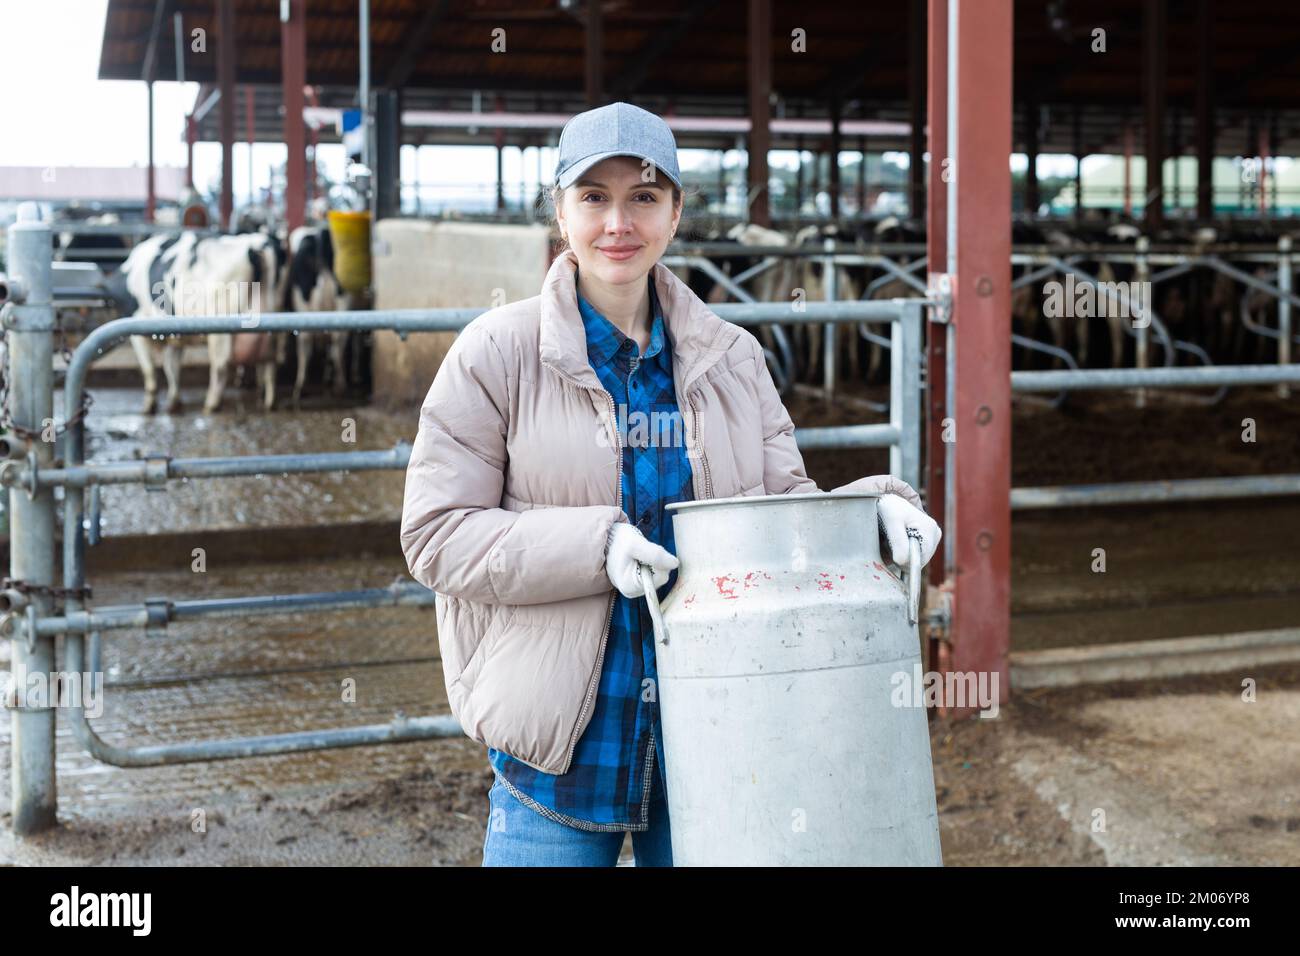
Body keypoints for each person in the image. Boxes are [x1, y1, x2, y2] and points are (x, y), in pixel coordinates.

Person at [400, 102, 941, 867]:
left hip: (719, 745)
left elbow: (783, 516)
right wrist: (597, 547)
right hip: (558, 757)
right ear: (559, 209)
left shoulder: (734, 358)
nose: (618, 223)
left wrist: (871, 516)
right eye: (594, 196)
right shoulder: (496, 354)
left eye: (644, 197)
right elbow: (437, 535)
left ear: (676, 212)